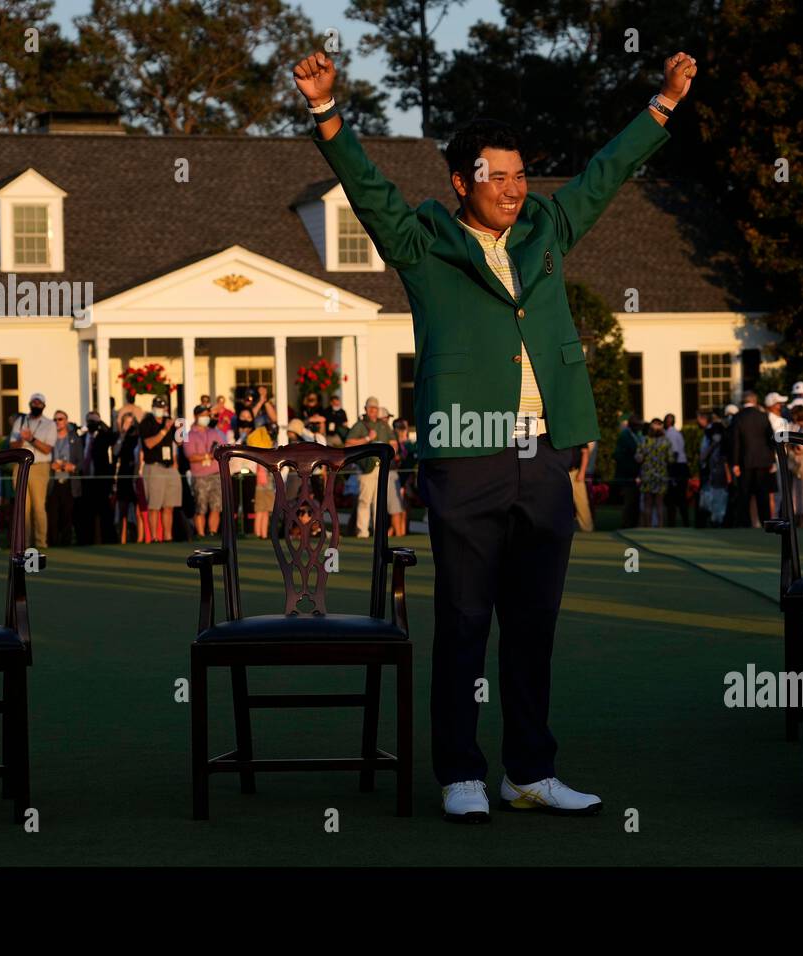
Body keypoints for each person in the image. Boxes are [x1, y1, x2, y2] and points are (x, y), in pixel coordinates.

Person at [296, 46, 695, 821]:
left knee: (534, 623)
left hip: (544, 458)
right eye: (497, 176)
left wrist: (664, 104)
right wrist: (327, 114)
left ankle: (530, 772)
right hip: (466, 456)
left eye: (520, 176)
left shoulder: (546, 227)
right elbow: (370, 192)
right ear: (461, 181)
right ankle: (460, 774)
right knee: (465, 621)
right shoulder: (423, 244)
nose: (513, 189)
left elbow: (604, 174)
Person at [8, 392, 56, 550]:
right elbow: (12, 446)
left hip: (39, 467)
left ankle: (41, 543)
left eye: (39, 403)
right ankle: (24, 544)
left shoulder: (50, 424)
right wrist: (22, 439)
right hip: (21, 466)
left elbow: (47, 448)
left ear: (44, 406)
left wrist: (31, 439)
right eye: (34, 402)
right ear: (30, 404)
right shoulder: (20, 421)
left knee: (38, 506)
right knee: (22, 507)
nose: (36, 405)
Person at [344, 396, 395, 539]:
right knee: (364, 501)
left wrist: (390, 447)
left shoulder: (383, 425)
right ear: (366, 409)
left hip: (381, 466)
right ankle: (363, 532)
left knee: (379, 502)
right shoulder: (360, 425)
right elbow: (348, 443)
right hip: (366, 468)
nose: (373, 410)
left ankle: (378, 532)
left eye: (375, 408)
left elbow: (393, 441)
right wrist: (367, 439)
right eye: (370, 408)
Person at [730, 391, 775, 527]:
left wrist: (735, 463)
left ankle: (745, 523)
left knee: (745, 495)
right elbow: (770, 438)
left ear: (743, 401)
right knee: (763, 495)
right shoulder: (763, 416)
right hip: (763, 461)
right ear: (755, 401)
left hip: (745, 461)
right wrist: (772, 458)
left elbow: (735, 441)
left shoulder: (738, 417)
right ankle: (765, 522)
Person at [138, 396, 179, 542]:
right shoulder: (146, 423)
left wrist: (180, 428)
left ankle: (168, 536)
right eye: (157, 407)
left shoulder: (170, 421)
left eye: (162, 407)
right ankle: (154, 536)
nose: (159, 410)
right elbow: (148, 443)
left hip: (169, 466)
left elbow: (180, 442)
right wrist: (164, 430)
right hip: (154, 466)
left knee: (169, 505)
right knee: (154, 505)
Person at [77, 409, 117, 545]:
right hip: (86, 480)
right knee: (86, 513)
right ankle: (86, 541)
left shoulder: (104, 437)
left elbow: (114, 436)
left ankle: (109, 541)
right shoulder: (82, 438)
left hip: (101, 480)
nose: (92, 423)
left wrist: (101, 423)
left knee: (105, 512)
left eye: (94, 421)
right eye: (90, 421)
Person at [185, 405, 224, 538]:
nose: (206, 418)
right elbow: (191, 456)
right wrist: (208, 456)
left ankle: (212, 532)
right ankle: (200, 534)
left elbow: (222, 448)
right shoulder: (189, 434)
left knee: (216, 506)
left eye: (207, 415)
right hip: (200, 476)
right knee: (201, 507)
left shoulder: (213, 432)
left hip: (216, 474)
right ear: (196, 416)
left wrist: (212, 455)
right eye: (203, 415)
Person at [46, 410, 82, 546]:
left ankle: (67, 543)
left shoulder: (75, 439)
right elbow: (44, 457)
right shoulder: (50, 439)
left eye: (60, 419)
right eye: (55, 419)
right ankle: (53, 543)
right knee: (53, 515)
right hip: (53, 482)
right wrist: (51, 465)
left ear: (66, 421)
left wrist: (72, 467)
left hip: (69, 482)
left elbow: (81, 461)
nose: (57, 422)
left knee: (67, 515)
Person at [634, 419, 671, 527]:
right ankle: (660, 526)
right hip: (661, 475)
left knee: (648, 503)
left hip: (647, 475)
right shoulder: (666, 441)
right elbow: (671, 459)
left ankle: (648, 526)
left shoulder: (645, 441)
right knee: (659, 503)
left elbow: (638, 458)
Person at [114, 411, 141, 543]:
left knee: (138, 509)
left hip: (135, 474)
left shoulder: (138, 437)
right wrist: (122, 434)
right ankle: (122, 539)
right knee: (122, 509)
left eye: (131, 422)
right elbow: (115, 452)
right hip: (123, 474)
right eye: (126, 422)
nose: (129, 425)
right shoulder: (120, 437)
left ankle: (140, 538)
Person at [613, 415, 642, 528]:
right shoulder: (625, 436)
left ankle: (633, 524)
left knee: (634, 502)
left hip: (635, 473)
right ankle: (626, 525)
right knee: (629, 502)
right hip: (628, 474)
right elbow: (618, 455)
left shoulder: (636, 435)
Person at [662, 413, 688, 527]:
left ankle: (674, 523)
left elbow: (674, 452)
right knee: (679, 498)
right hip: (680, 466)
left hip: (677, 467)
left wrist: (671, 470)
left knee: (673, 497)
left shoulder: (671, 434)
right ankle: (683, 522)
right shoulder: (676, 433)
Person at [568, 442, 594, 532]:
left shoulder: (576, 432)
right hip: (560, 472)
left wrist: (582, 472)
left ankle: (587, 529)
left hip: (575, 473)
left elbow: (585, 452)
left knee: (582, 503)